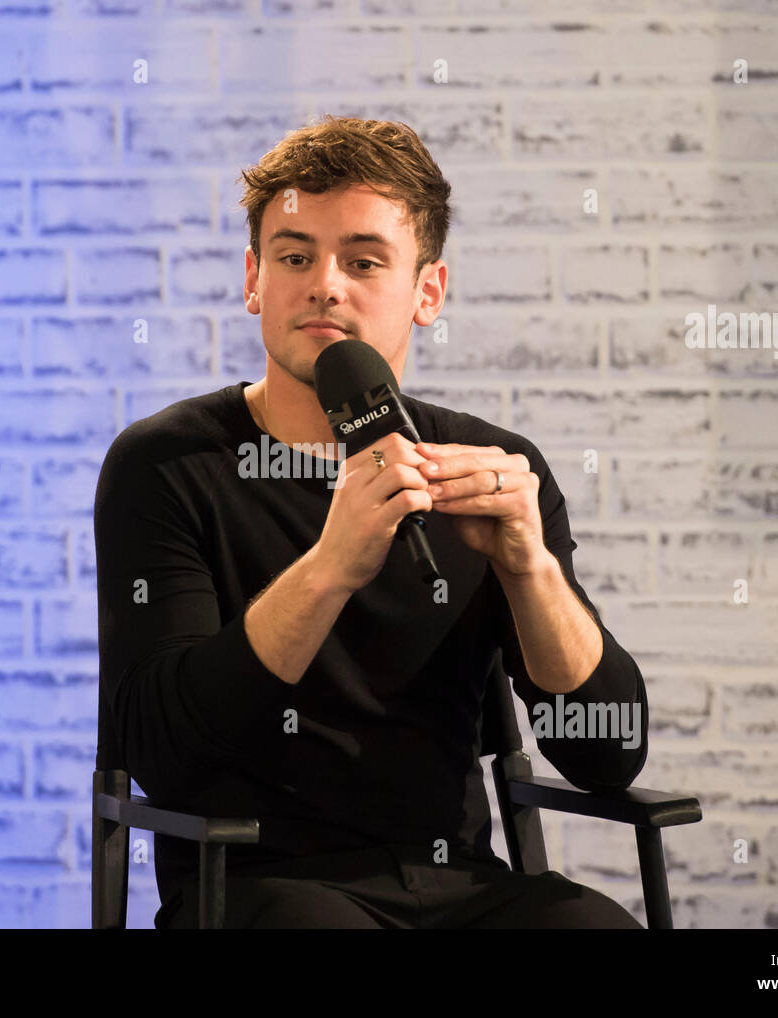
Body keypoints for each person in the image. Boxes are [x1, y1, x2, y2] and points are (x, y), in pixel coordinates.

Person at [93, 116, 648, 929]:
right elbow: (166, 758)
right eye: (294, 256)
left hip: (459, 885)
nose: (325, 284)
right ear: (254, 280)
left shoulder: (491, 466)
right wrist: (331, 567)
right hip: (257, 889)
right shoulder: (165, 466)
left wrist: (531, 571)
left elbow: (606, 756)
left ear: (428, 291)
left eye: (362, 261)